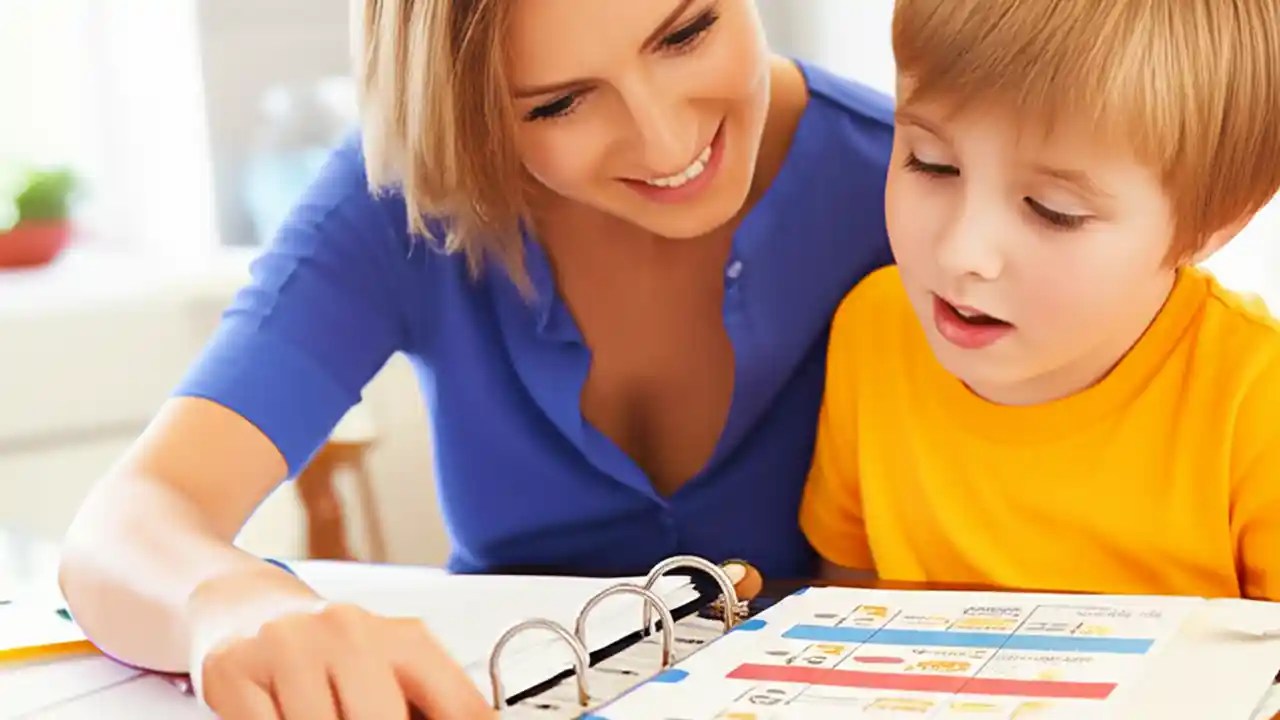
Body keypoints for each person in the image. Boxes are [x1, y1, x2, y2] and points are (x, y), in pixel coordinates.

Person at [58, 0, 895, 718]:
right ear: (470, 107)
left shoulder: (917, 183)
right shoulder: (406, 197)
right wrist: (230, 606)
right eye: (559, 103)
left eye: (685, 34)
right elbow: (130, 522)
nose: (663, 136)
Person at [801, 0, 1280, 600]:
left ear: (1215, 225)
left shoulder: (1257, 406)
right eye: (933, 165)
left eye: (1054, 212)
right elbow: (844, 599)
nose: (962, 252)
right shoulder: (874, 330)